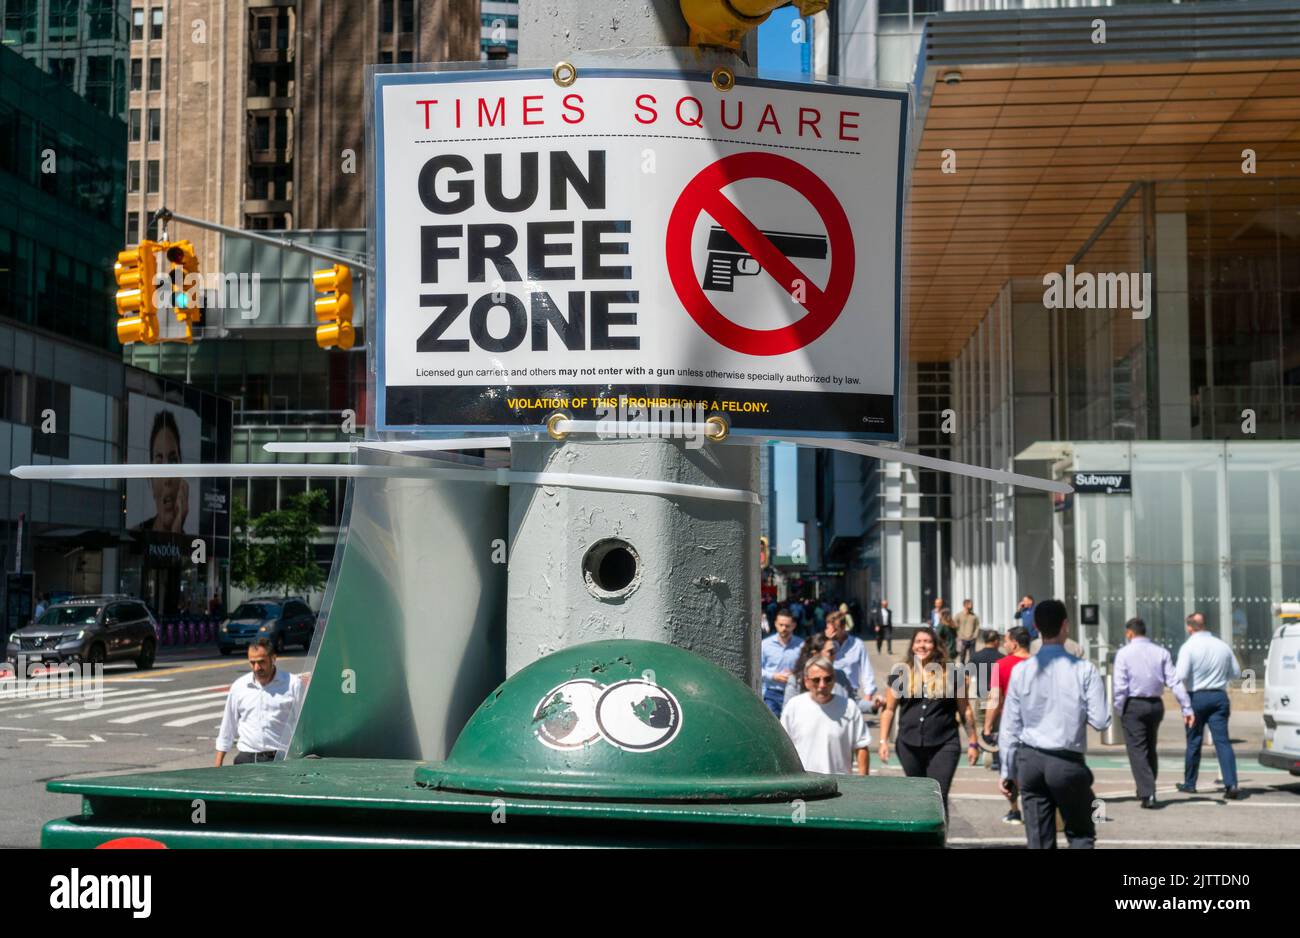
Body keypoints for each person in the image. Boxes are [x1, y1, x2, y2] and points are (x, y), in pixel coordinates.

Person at [998, 600, 1110, 849]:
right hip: (1066, 759)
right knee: (1081, 832)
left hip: (1030, 759)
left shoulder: (1022, 670)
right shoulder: (1084, 670)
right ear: (1065, 626)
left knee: (1038, 839)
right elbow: (1101, 720)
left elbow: (1009, 727)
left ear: (1036, 627)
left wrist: (1007, 772)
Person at [879, 627, 977, 817]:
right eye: (918, 641)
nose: (922, 645)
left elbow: (965, 710)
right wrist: (883, 741)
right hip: (908, 744)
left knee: (938, 795)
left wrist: (973, 741)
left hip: (944, 743)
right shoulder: (900, 674)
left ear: (936, 646)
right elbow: (889, 710)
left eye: (927, 641)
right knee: (917, 796)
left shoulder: (952, 674)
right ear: (912, 645)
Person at [1113, 617, 1193, 808]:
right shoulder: (1161, 652)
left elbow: (1120, 686)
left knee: (1137, 750)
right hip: (1156, 704)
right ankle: (1146, 787)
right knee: (1150, 747)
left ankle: (1147, 792)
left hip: (1133, 705)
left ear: (1129, 633)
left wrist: (1118, 708)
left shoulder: (1124, 654)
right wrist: (1186, 706)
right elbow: (1174, 681)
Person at [1174, 612, 1242, 799]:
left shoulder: (1188, 647)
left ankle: (1190, 783)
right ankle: (1231, 784)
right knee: (1223, 742)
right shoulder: (1222, 646)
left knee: (1194, 741)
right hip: (1219, 696)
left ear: (1189, 627)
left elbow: (1180, 675)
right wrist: (1219, 678)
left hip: (1196, 697)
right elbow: (1236, 672)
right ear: (1204, 625)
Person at [214, 638, 307, 766]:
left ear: (273, 658)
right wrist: (218, 763)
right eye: (252, 663)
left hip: (279, 759)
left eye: (261, 662)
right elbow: (228, 726)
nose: (257, 667)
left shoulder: (293, 684)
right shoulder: (239, 686)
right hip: (246, 758)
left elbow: (304, 725)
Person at [780, 657, 871, 775]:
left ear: (834, 680)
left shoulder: (849, 707)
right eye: (816, 680)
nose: (822, 685)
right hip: (804, 784)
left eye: (828, 679)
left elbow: (861, 746)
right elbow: (783, 748)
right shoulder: (793, 707)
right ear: (806, 681)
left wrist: (862, 783)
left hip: (841, 784)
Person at [985, 626, 1032, 821]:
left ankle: (1015, 809)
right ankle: (1033, 808)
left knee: (1010, 768)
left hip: (1010, 724)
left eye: (1006, 641)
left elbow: (995, 698)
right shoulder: (1037, 664)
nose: (1004, 644)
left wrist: (987, 725)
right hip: (1035, 724)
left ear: (1014, 643)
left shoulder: (1001, 665)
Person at [136, 409, 188, 534]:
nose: (167, 478)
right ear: (150, 480)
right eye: (159, 464)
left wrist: (176, 531)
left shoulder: (193, 547)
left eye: (173, 461)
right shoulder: (136, 538)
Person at [825, 609, 885, 715]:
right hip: (829, 691)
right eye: (829, 628)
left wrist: (868, 694)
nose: (832, 632)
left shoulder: (857, 645)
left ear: (843, 627)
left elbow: (866, 670)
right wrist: (826, 642)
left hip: (851, 693)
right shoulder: (826, 645)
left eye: (835, 629)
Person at [967, 629, 1005, 769]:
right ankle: (993, 757)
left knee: (980, 726)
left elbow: (967, 677)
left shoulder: (976, 656)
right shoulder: (1002, 657)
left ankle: (978, 751)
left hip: (980, 696)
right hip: (996, 697)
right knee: (994, 727)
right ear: (996, 641)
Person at [783, 633, 848, 707]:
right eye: (830, 652)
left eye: (828, 679)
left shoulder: (841, 676)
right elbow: (788, 711)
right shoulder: (796, 680)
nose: (834, 655)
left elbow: (853, 703)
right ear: (815, 654)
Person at [760, 609, 803, 718]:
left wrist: (795, 674)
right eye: (781, 625)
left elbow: (806, 668)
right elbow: (757, 669)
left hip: (794, 692)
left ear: (794, 626)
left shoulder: (802, 645)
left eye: (787, 626)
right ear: (775, 624)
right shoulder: (765, 645)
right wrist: (773, 676)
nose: (784, 628)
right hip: (772, 693)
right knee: (772, 728)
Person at [954, 599, 981, 664]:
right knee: (962, 656)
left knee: (972, 656)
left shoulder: (974, 616)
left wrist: (975, 635)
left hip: (972, 639)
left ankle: (971, 670)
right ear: (965, 605)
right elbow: (954, 626)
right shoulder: (958, 615)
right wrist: (959, 635)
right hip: (962, 639)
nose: (972, 605)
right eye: (970, 604)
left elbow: (977, 626)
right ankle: (962, 669)